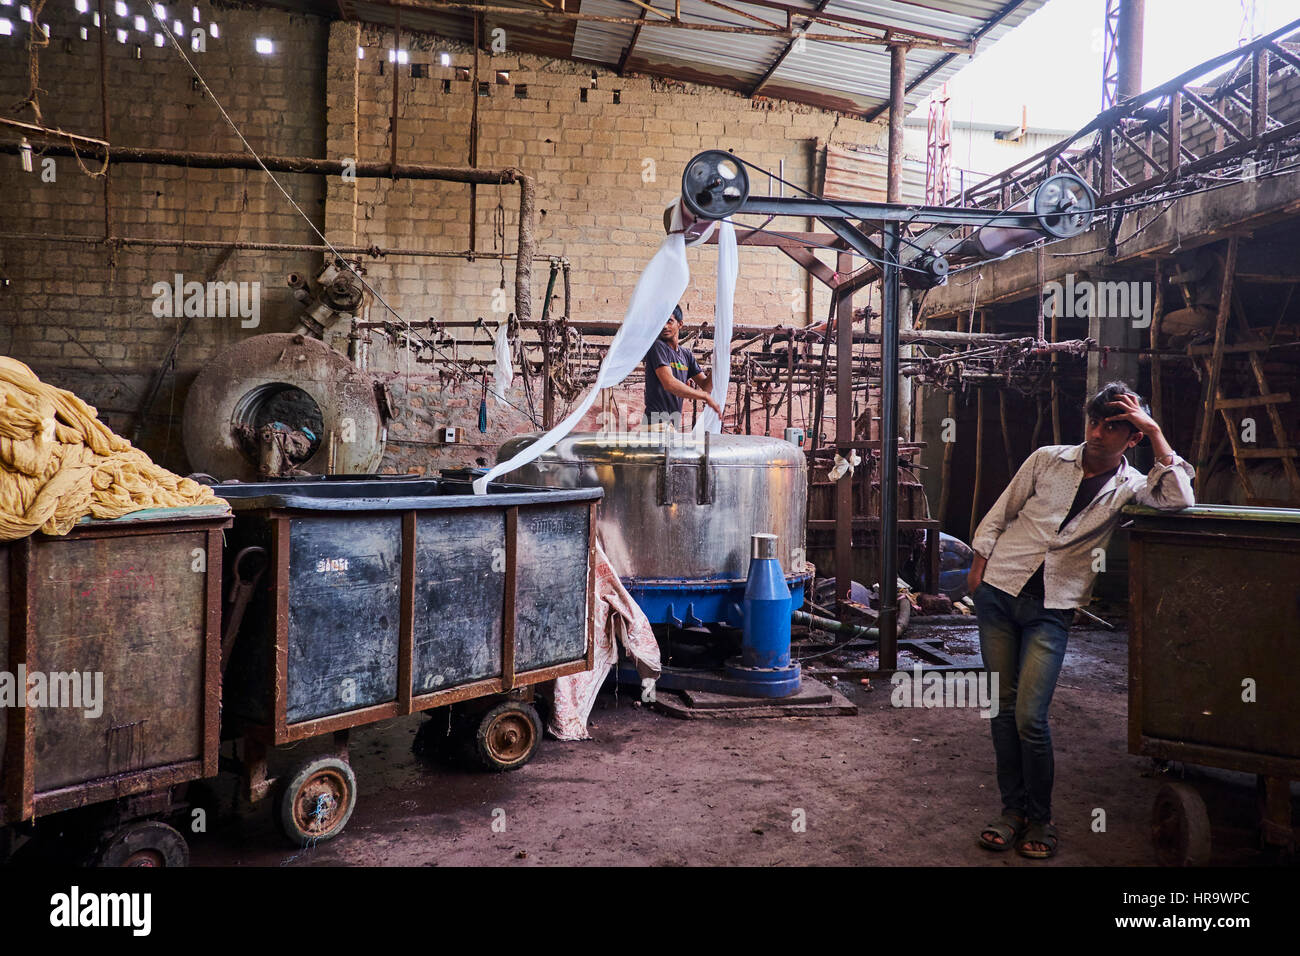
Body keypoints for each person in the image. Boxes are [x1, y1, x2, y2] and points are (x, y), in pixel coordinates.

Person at [968, 381, 1194, 859]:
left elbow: (1180, 499)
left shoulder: (1131, 484)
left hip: (1054, 607)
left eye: (1112, 427)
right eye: (1094, 421)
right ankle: (1011, 812)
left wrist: (1155, 431)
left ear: (1131, 437)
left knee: (1030, 717)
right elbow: (1000, 512)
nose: (1096, 433)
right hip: (1001, 594)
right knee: (1001, 711)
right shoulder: (1047, 459)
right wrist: (979, 566)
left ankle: (1041, 818)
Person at [642, 304, 721, 429]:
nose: (664, 326)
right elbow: (669, 383)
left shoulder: (686, 355)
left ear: (680, 324)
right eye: (661, 322)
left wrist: (719, 363)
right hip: (656, 422)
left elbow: (706, 386)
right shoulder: (657, 346)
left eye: (669, 321)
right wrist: (704, 396)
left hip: (673, 423)